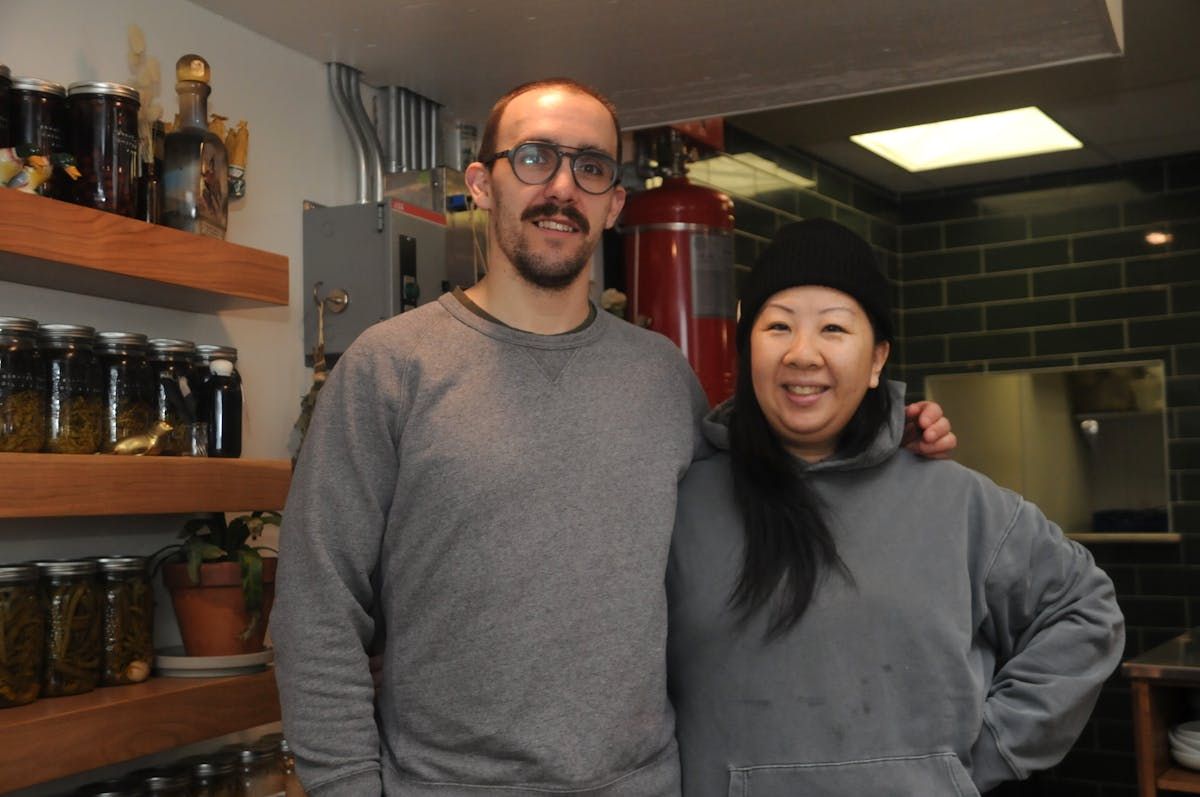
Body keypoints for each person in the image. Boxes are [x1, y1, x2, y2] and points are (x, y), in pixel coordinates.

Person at [272, 80, 955, 797]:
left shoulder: (661, 375)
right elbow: (316, 609)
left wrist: (881, 441)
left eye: (591, 167)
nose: (562, 188)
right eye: (534, 158)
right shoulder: (389, 368)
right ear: (481, 183)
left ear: (615, 203)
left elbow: (766, 482)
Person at [666, 218, 1125, 797]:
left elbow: (1085, 610)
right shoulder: (680, 506)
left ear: (877, 357)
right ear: (747, 348)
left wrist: (980, 757)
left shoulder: (957, 501)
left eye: (834, 328)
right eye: (778, 325)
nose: (802, 354)